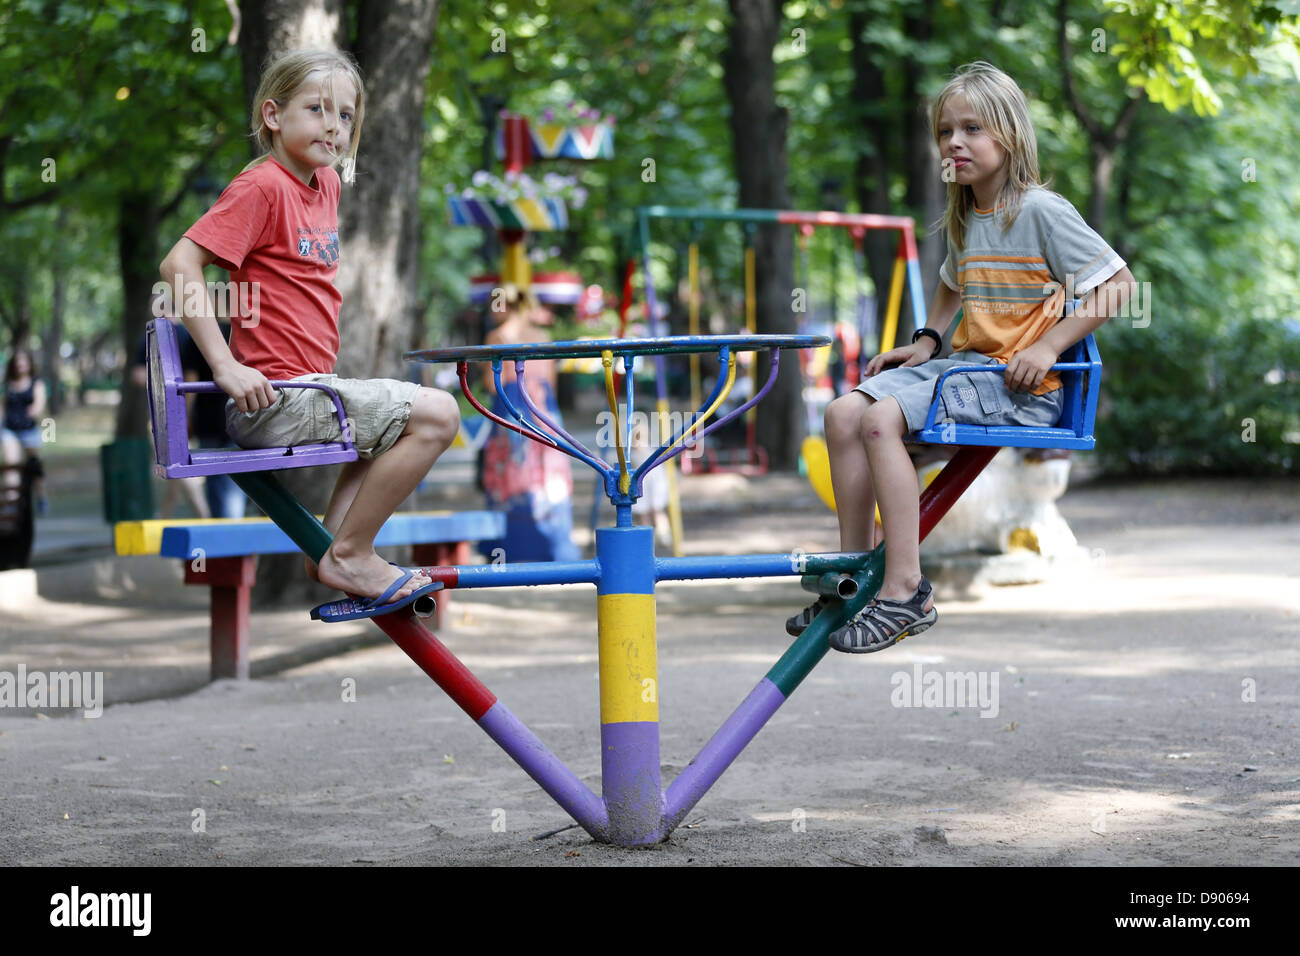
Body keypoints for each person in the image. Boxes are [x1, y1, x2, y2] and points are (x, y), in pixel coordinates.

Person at [788, 61, 1135, 653]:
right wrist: (926, 339)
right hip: (970, 373)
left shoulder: (1040, 212)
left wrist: (1049, 344)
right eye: (946, 131)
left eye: (973, 128)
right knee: (842, 414)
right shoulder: (967, 214)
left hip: (1024, 388)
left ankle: (905, 589)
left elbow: (1120, 285)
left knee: (878, 420)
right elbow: (953, 280)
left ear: (1010, 134)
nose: (955, 141)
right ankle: (850, 576)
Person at [158, 49, 459, 620]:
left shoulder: (324, 186)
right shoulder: (262, 187)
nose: (333, 125)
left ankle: (332, 550)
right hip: (277, 398)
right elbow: (179, 265)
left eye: (345, 115)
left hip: (313, 388)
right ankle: (349, 553)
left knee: (396, 425)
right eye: (317, 108)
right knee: (437, 414)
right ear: (273, 115)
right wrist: (224, 365)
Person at [477, 285, 579, 562]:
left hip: (511, 406)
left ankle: (509, 546)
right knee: (548, 471)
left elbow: (490, 382)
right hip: (544, 409)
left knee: (509, 472)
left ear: (505, 306)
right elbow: (551, 383)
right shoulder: (542, 336)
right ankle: (553, 542)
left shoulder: (498, 336)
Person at [3, 348, 48, 515]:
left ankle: (42, 497)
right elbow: (2, 406)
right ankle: (12, 500)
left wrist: (35, 410)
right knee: (12, 464)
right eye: (17, 362)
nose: (20, 365)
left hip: (29, 429)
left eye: (23, 361)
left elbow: (40, 403)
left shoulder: (37, 382)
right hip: (10, 429)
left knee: (34, 465)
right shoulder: (8, 384)